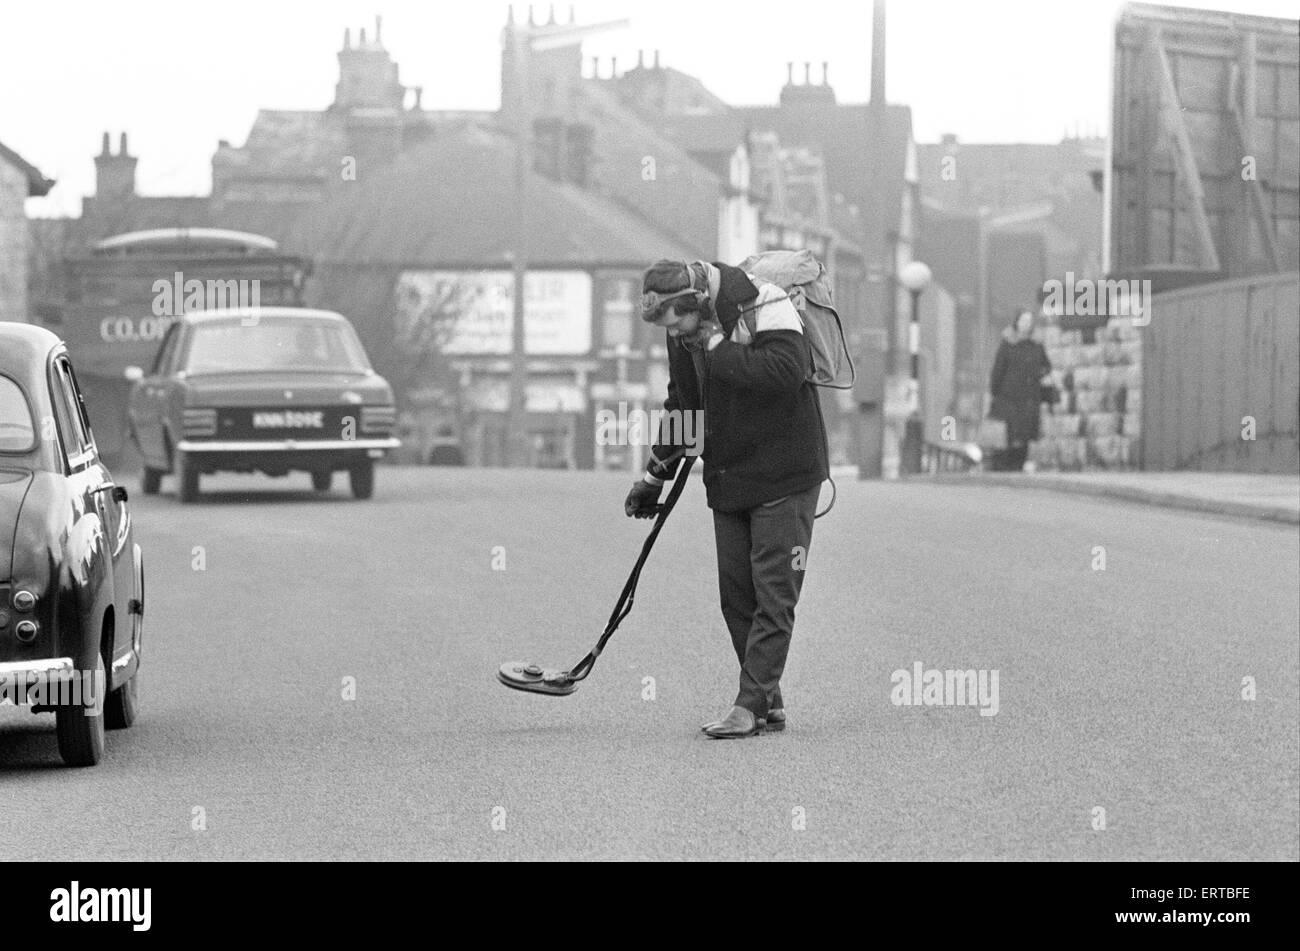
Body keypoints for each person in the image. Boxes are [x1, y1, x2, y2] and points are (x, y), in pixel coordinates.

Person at [624, 259, 828, 739]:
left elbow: (784, 371)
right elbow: (685, 407)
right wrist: (655, 475)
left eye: (679, 325)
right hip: (729, 475)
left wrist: (715, 347)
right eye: (668, 331)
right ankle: (768, 702)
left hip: (786, 472)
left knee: (774, 591)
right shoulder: (685, 335)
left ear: (696, 303)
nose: (675, 336)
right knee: (736, 595)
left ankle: (749, 702)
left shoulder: (766, 304)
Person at [988, 309, 1054, 472]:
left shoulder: (1036, 345)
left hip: (1030, 398)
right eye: (1023, 320)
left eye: (1029, 320)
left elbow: (1046, 366)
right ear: (1016, 322)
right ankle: (1002, 466)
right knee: (1007, 434)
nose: (1026, 324)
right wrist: (995, 392)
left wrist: (1042, 377)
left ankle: (1018, 466)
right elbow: (998, 371)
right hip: (1008, 398)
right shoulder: (1007, 344)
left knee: (1024, 435)